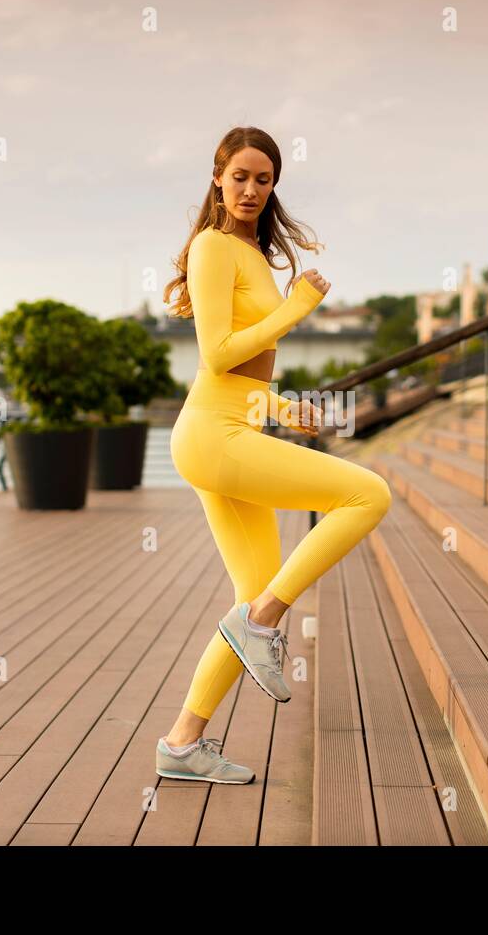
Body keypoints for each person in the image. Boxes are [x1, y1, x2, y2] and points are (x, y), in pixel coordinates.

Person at [156, 126, 392, 784]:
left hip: (234, 427)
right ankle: (265, 622)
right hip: (212, 437)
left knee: (249, 593)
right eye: (240, 177)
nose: (252, 189)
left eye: (264, 179)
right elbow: (217, 355)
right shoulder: (212, 247)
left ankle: (181, 743)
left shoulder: (251, 253)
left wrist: (287, 409)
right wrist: (295, 311)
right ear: (217, 178)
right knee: (368, 494)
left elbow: (247, 376)